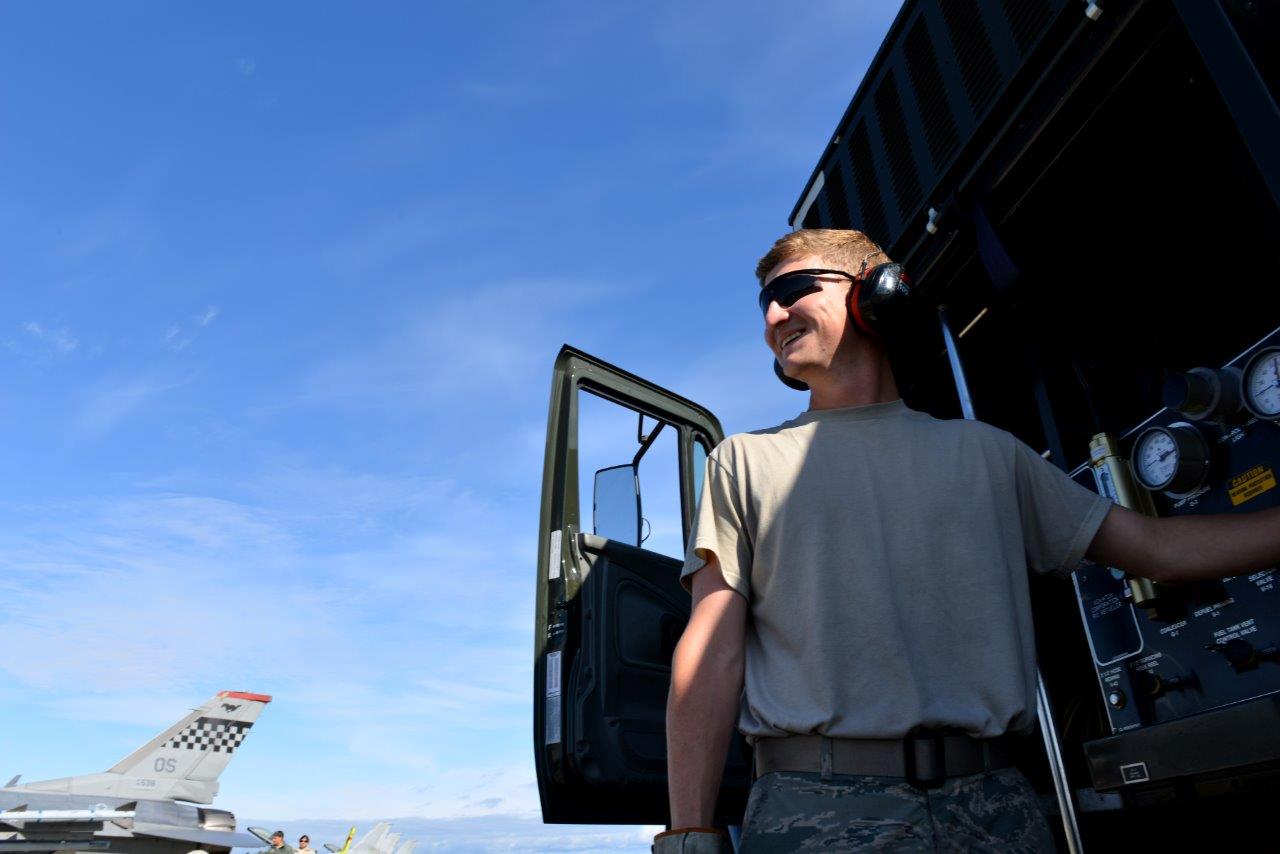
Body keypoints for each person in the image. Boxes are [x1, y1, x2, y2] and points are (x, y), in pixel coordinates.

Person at [655, 229, 1280, 853]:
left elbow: (1159, 552)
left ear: (878, 292)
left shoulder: (989, 454)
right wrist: (688, 833)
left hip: (997, 805)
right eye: (764, 304)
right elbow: (712, 652)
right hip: (815, 808)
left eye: (792, 290)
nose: (772, 317)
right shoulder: (742, 461)